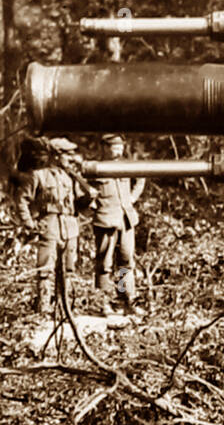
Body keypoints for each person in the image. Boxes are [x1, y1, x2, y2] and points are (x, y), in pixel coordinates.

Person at [17, 137, 95, 314]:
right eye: (67, 154)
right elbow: (22, 200)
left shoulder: (71, 177)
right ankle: (44, 307)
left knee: (69, 268)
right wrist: (29, 223)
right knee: (46, 267)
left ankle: (64, 306)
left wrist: (89, 197)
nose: (71, 157)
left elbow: (79, 203)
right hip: (49, 224)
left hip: (69, 225)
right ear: (56, 156)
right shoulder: (39, 175)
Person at [92, 133, 145, 314]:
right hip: (106, 220)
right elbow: (82, 189)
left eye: (121, 146)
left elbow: (142, 177)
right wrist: (93, 204)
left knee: (126, 261)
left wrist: (132, 197)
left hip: (126, 219)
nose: (119, 149)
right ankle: (103, 302)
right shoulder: (96, 167)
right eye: (115, 146)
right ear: (105, 148)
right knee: (104, 264)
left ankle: (126, 299)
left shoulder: (127, 165)